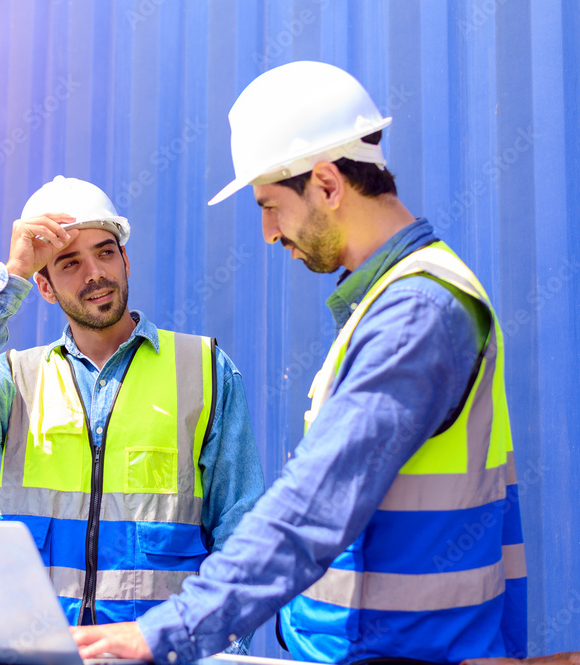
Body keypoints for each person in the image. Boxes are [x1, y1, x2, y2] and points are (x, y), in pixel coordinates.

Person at [72, 61, 527, 664]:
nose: (267, 232)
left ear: (328, 184)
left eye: (270, 205)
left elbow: (314, 506)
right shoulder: (391, 300)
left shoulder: (415, 312)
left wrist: (165, 633)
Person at [0, 176, 265, 643]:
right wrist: (11, 275)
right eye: (69, 262)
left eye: (104, 252)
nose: (95, 273)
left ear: (126, 260)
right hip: (38, 650)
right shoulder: (18, 381)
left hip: (159, 653)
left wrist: (223, 647)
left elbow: (240, 530)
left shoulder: (203, 370)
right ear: (44, 286)